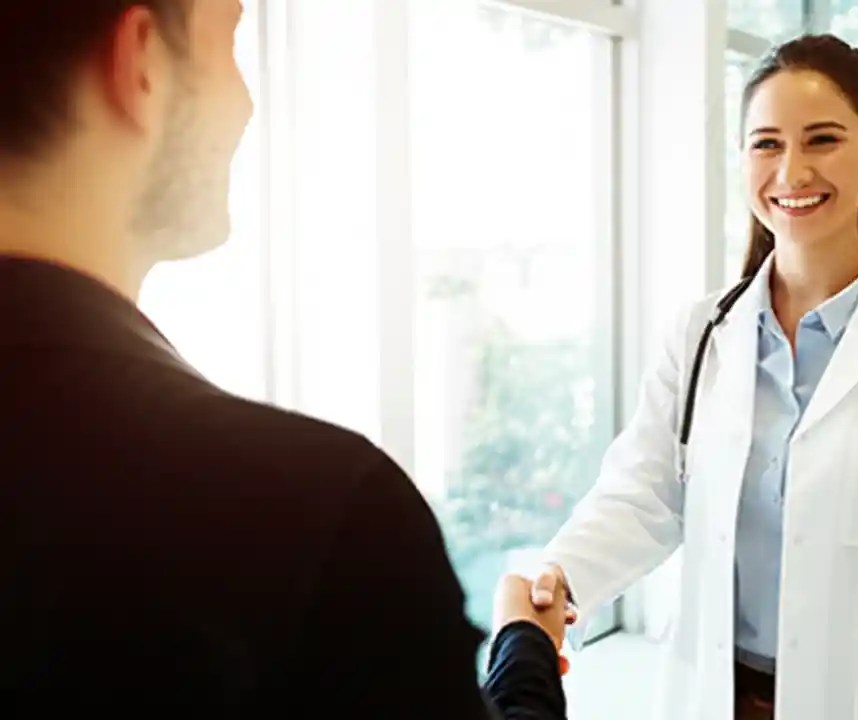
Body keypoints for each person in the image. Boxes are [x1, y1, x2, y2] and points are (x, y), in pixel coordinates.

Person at [0, 2, 566, 717]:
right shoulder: (317, 515)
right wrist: (526, 648)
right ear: (138, 61)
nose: (245, 102)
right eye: (231, 41)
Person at [524, 34, 858, 719]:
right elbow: (641, 495)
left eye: (822, 140)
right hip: (715, 697)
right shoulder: (702, 332)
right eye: (766, 144)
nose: (791, 172)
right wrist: (555, 585)